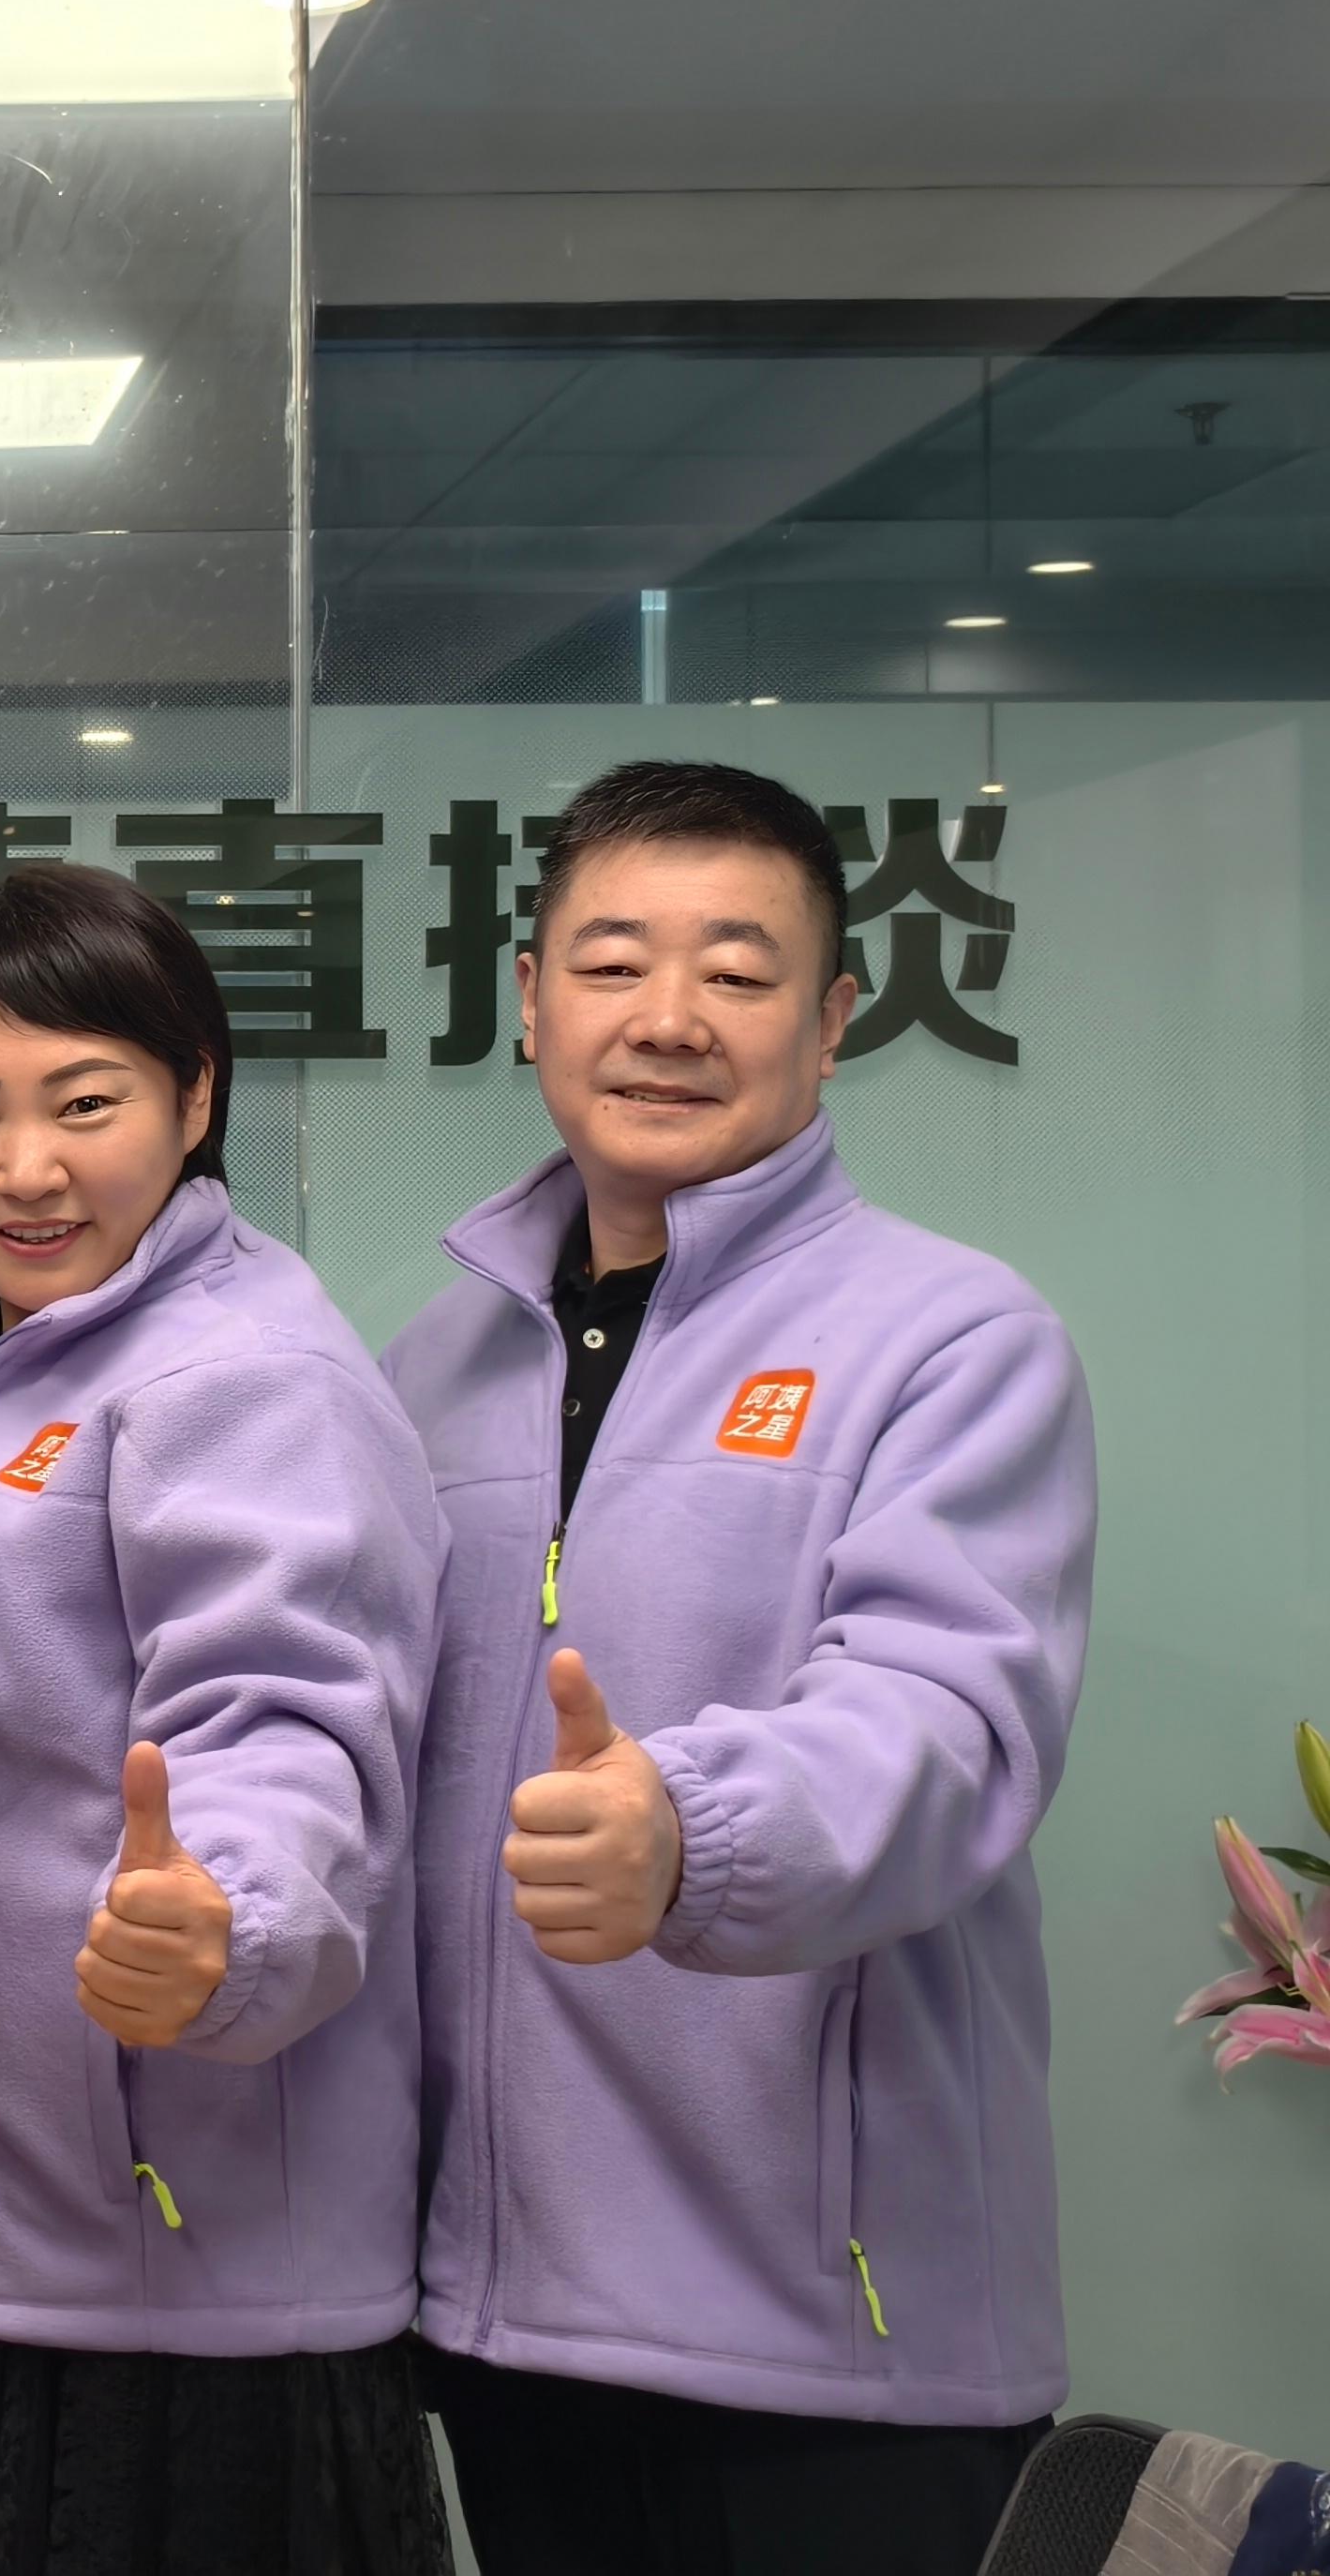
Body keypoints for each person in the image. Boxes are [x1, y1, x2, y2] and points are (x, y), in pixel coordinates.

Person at [380, 760, 1094, 2576]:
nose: (669, 1018)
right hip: (507, 2318)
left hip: (830, 2343)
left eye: (738, 970)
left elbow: (946, 1726)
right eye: (613, 963)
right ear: (529, 995)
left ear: (834, 1017)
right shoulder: (438, 1364)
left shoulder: (949, 1338)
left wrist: (688, 1830)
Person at [0, 864, 453, 2576]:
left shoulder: (245, 1372)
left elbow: (289, 1720)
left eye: (85, 1104)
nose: (25, 1168)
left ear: (195, 1097)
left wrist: (228, 1921)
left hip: (182, 2303)